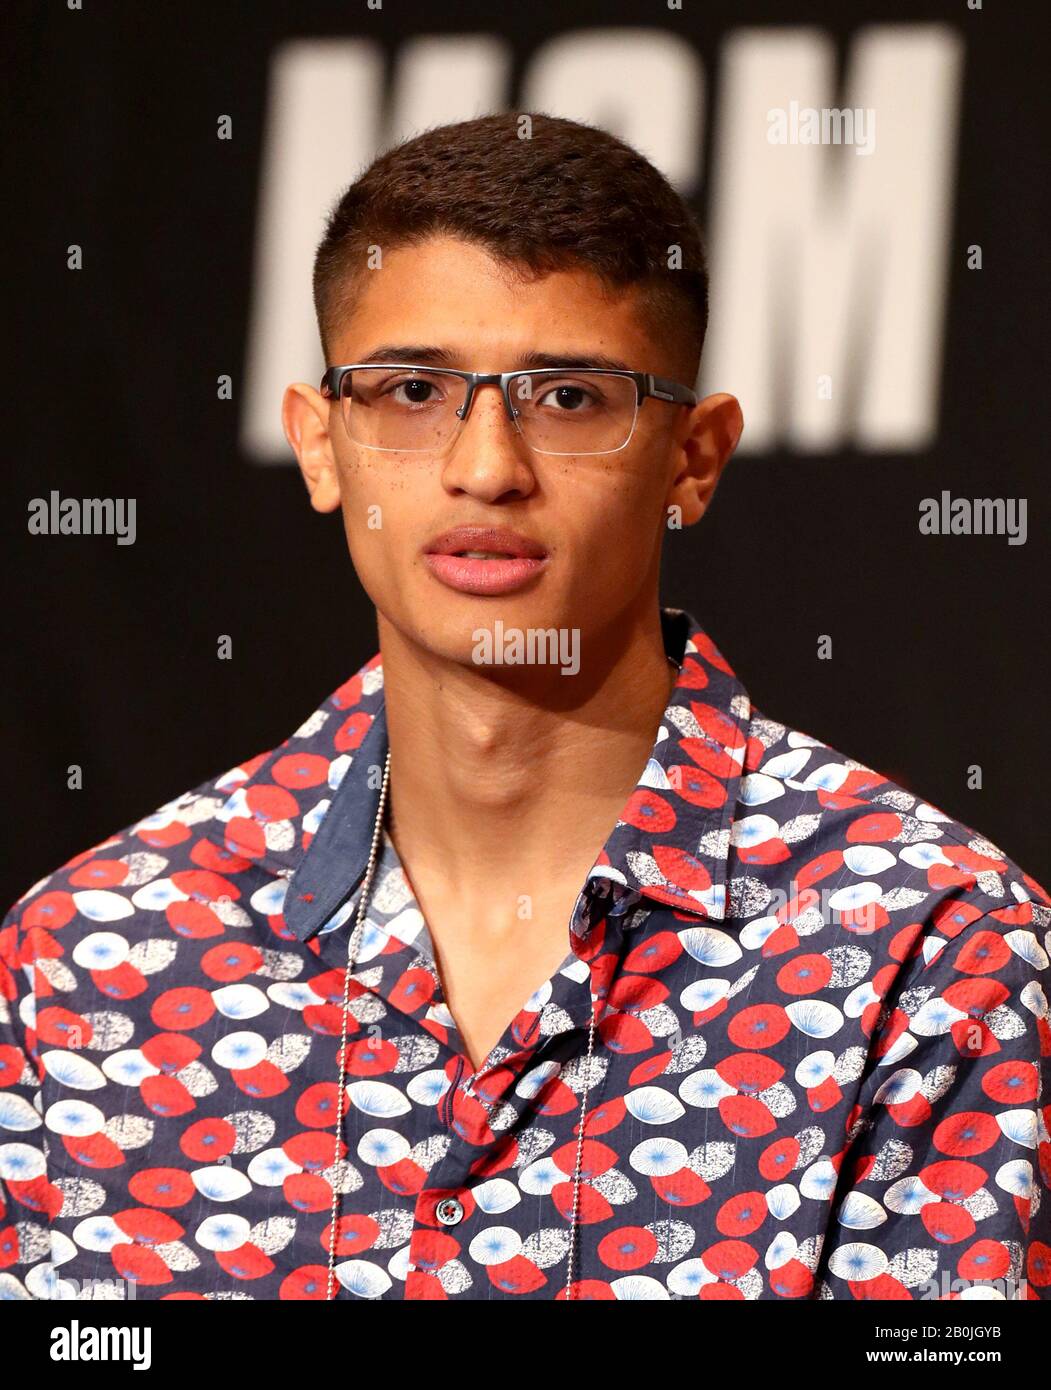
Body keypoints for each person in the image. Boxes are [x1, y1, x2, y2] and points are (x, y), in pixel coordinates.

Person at [1, 112, 1047, 1303]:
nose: (485, 465)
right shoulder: (91, 956)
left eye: (566, 397)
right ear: (319, 442)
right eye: (411, 389)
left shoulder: (926, 949)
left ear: (691, 461)